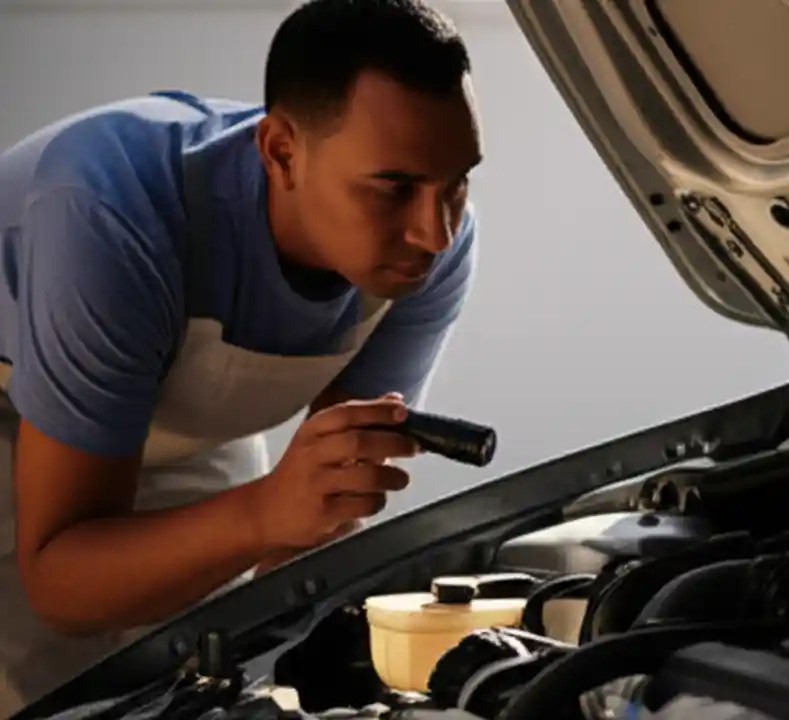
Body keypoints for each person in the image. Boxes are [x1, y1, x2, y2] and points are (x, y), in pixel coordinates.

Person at [0, 0, 482, 712]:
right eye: (394, 188)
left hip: (185, 434)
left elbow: (322, 510)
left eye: (458, 182)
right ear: (281, 151)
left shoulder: (432, 250)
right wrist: (262, 514)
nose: (435, 234)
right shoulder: (109, 215)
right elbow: (61, 584)